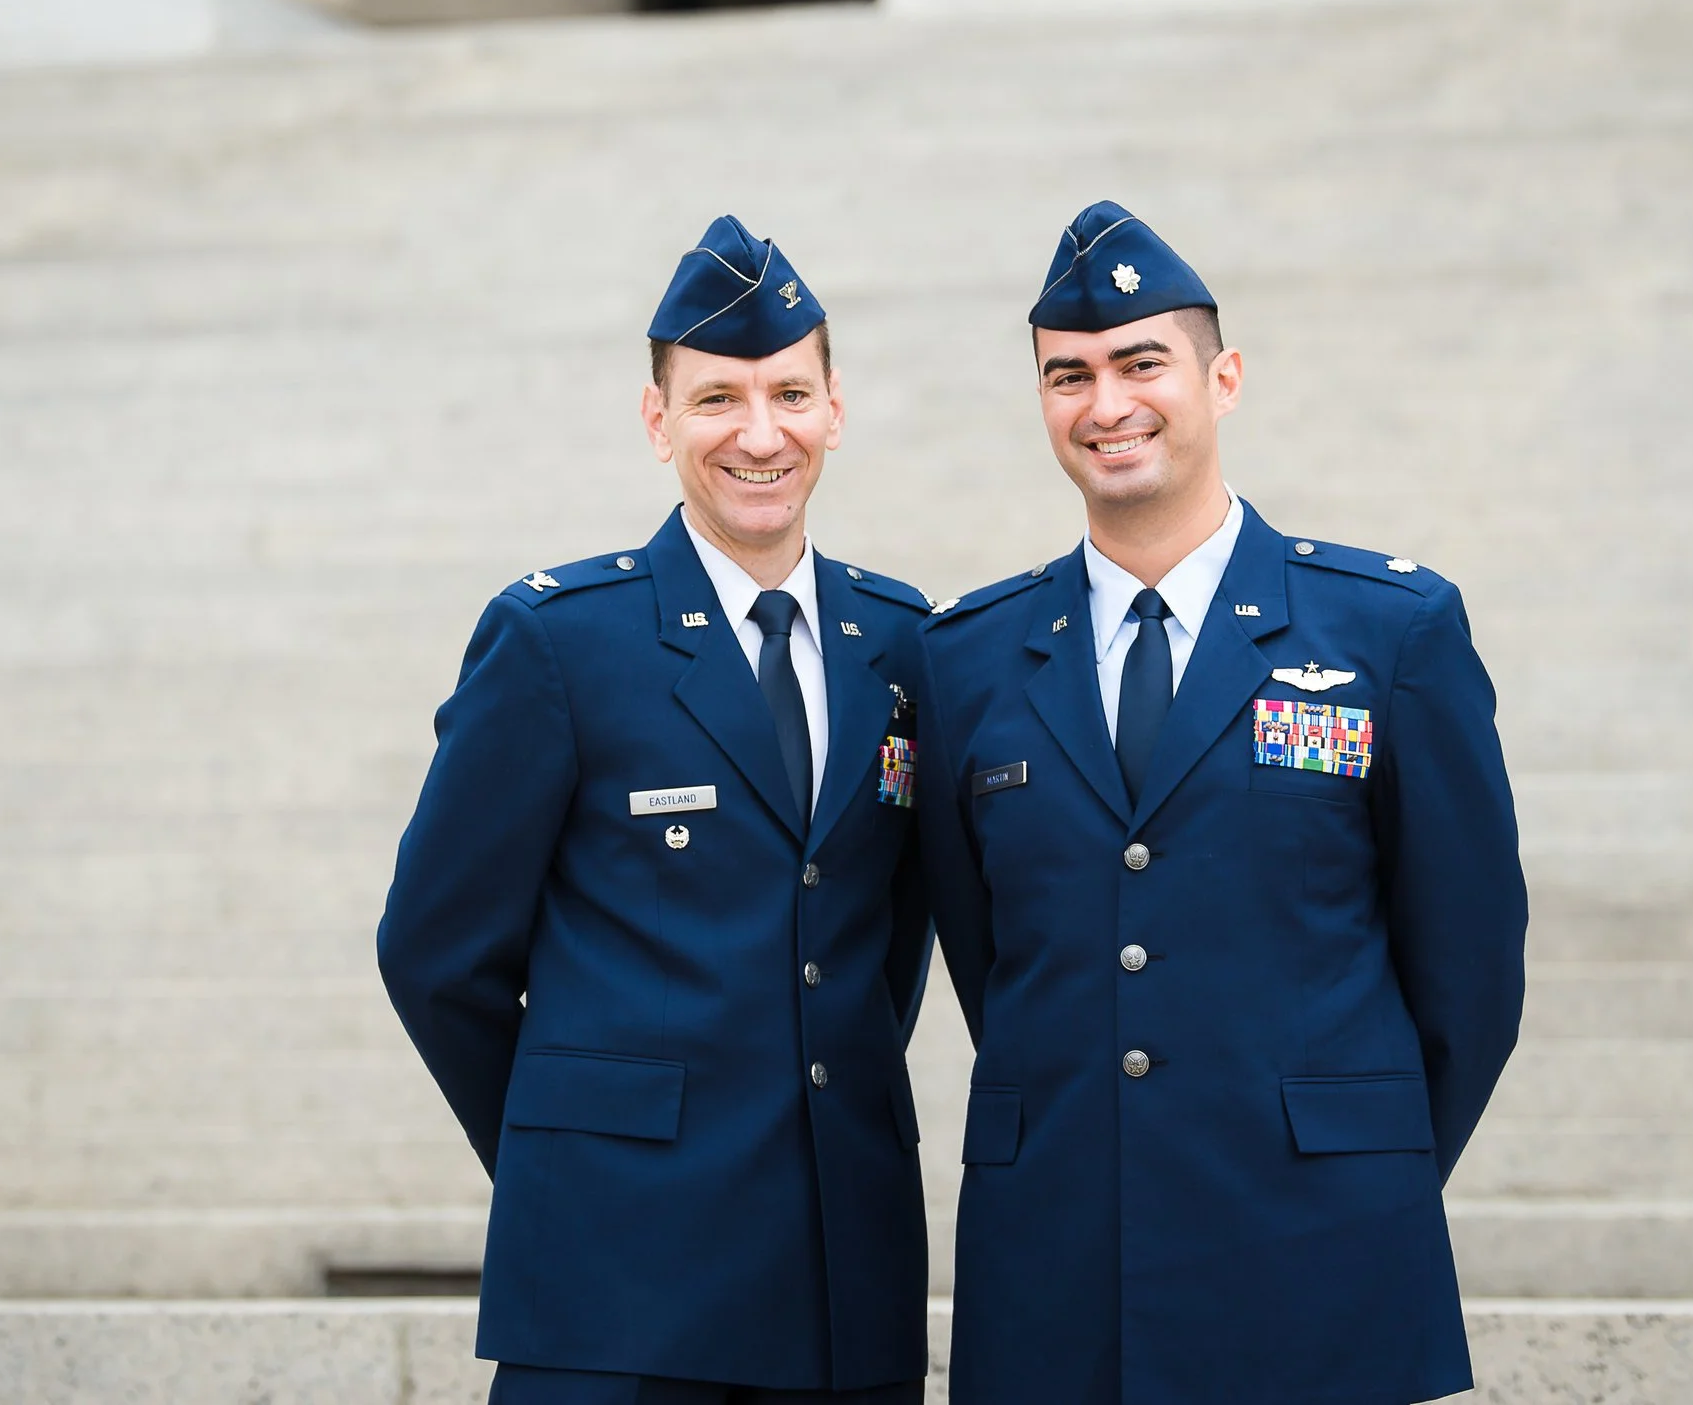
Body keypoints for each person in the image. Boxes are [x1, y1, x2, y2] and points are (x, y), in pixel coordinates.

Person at [915, 201, 1528, 1405]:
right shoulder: (964, 661)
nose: (1107, 404)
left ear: (1223, 376)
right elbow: (989, 961)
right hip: (1058, 1271)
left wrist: (1355, 1160)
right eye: (1068, 375)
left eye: (1143, 363)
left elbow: (1470, 975)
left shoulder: (1387, 631)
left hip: (1319, 1253)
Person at [378, 216, 935, 1405]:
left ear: (835, 409)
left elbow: (887, 938)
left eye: (789, 392)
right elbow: (436, 952)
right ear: (656, 422)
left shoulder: (900, 641)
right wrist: (574, 1148)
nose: (759, 432)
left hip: (846, 1275)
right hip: (615, 1282)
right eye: (716, 398)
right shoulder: (556, 641)